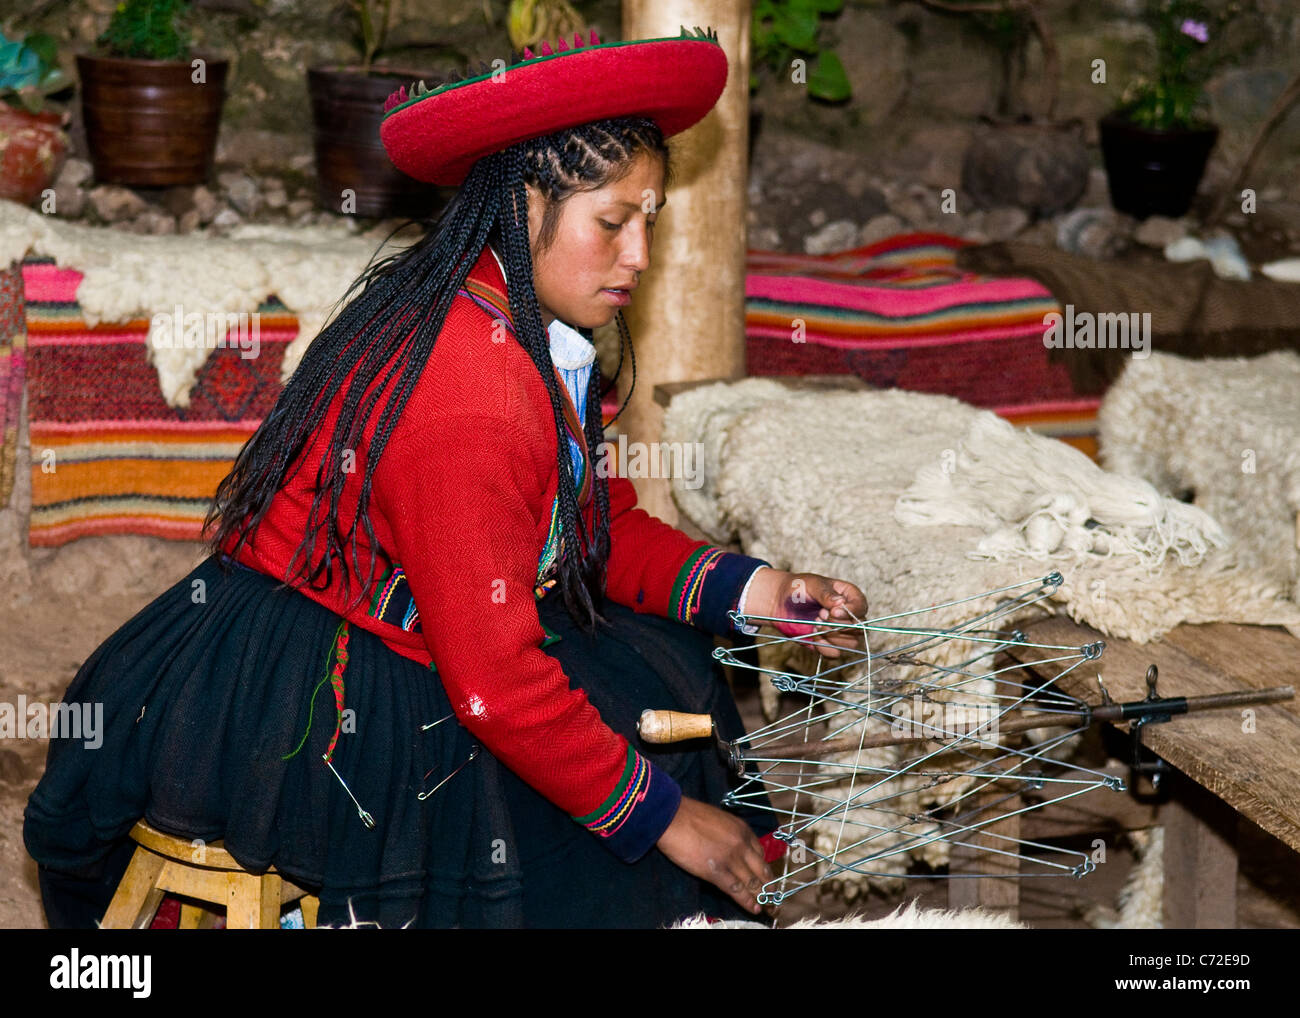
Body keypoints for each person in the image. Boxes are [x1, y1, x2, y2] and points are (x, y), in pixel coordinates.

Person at [24, 27, 867, 929]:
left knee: (674, 675)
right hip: (307, 693)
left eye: (650, 221)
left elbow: (592, 525)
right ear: (524, 202)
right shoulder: (471, 391)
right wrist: (668, 823)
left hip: (428, 628)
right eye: (613, 223)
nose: (639, 258)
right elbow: (495, 686)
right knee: (586, 838)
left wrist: (757, 589)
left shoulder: (501, 313)